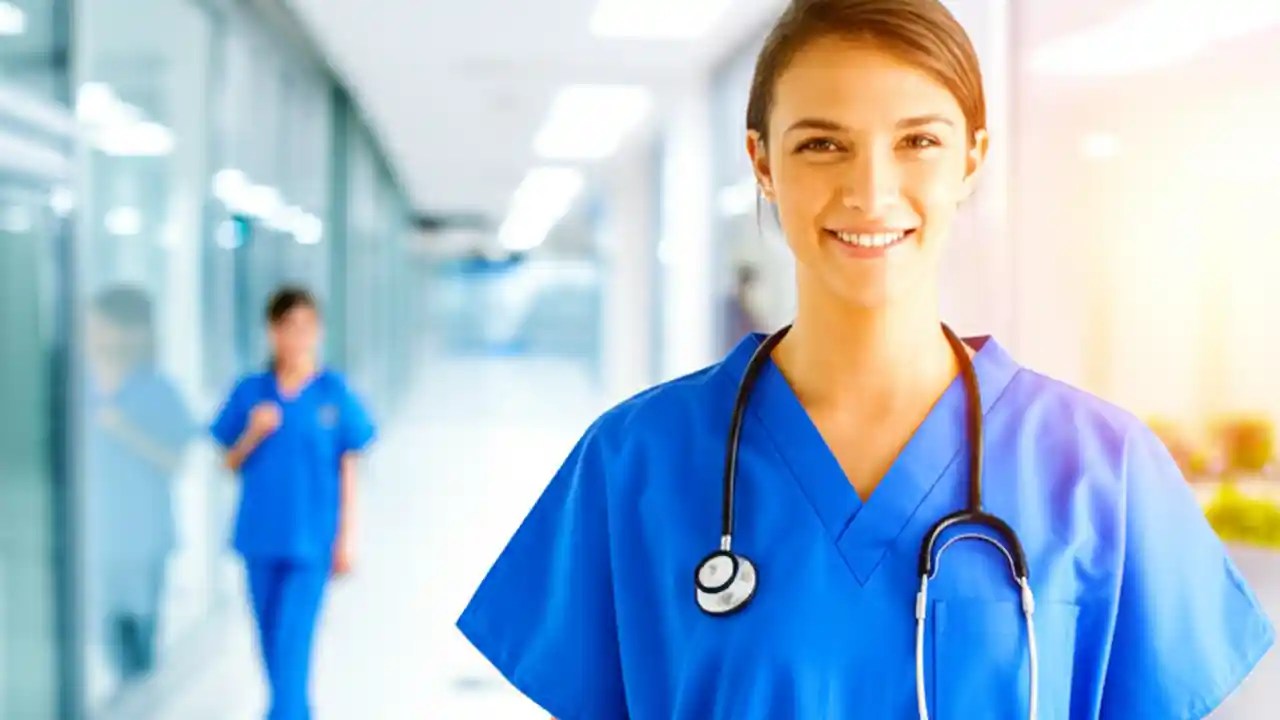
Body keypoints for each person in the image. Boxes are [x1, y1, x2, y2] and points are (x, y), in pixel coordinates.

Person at [456, 1, 1277, 717]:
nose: (870, 190)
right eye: (821, 144)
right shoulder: (634, 463)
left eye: (918, 139)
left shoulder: (1104, 470)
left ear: (971, 160)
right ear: (761, 164)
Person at [210, 286, 375, 720]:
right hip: (260, 541)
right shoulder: (252, 392)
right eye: (287, 326)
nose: (297, 336)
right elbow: (226, 462)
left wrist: (346, 539)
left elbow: (349, 470)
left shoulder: (332, 393)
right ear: (271, 331)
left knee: (291, 653)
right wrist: (253, 433)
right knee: (272, 656)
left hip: (311, 544)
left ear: (318, 331)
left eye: (306, 326)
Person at [84, 285, 196, 686]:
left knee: (137, 652)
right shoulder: (75, 386)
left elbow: (176, 461)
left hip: (143, 537)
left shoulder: (157, 390)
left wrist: (125, 430)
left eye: (105, 325)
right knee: (103, 638)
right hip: (93, 537)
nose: (95, 333)